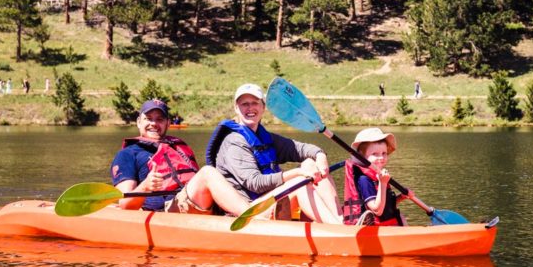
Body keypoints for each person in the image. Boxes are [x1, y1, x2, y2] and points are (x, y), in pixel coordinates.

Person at [206, 83, 342, 223]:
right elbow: (255, 183)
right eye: (244, 104)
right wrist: (298, 173)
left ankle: (340, 221)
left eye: (255, 103)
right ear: (236, 108)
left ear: (263, 107)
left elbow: (303, 149)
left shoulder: (265, 137)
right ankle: (336, 228)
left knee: (311, 163)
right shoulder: (234, 142)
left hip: (273, 200)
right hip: (252, 211)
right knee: (300, 181)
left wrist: (320, 156)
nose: (250, 108)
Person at [111, 99, 250, 215]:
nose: (153, 123)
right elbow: (124, 205)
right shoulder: (128, 154)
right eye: (148, 119)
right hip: (167, 212)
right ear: (138, 122)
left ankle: (255, 214)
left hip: (196, 203)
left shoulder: (179, 148)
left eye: (159, 119)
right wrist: (145, 186)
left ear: (168, 123)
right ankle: (251, 217)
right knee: (207, 173)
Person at [342, 128, 412, 226]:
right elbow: (377, 210)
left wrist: (401, 197)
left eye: (384, 153)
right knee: (400, 216)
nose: (381, 157)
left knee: (400, 216)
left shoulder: (380, 176)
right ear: (362, 156)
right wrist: (383, 183)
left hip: (388, 225)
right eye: (375, 154)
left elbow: (386, 205)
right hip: (374, 229)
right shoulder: (364, 180)